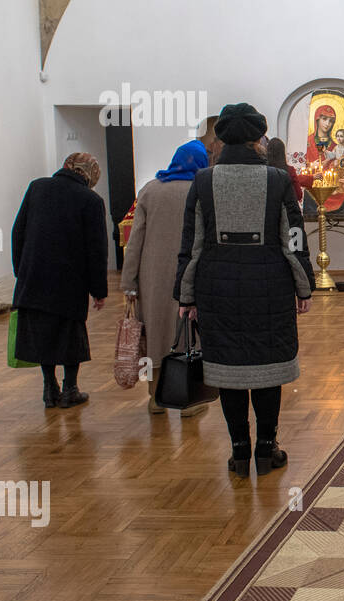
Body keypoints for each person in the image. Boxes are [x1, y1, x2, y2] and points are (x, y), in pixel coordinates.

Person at [175, 104, 314, 478]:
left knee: (229, 369)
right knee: (267, 369)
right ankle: (267, 449)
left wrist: (186, 295)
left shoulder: (203, 180)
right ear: (258, 139)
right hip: (269, 283)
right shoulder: (277, 179)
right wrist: (304, 286)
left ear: (220, 139)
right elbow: (294, 239)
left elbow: (193, 244)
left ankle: (239, 451)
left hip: (215, 287)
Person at [12, 152, 110, 408]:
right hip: (69, 283)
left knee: (42, 335)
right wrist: (98, 289)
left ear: (66, 166)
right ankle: (70, 388)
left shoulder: (37, 187)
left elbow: (17, 232)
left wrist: (20, 271)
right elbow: (96, 250)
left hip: (33, 278)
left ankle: (49, 386)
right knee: (69, 335)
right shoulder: (90, 200)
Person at [121, 140, 210, 416]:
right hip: (191, 272)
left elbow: (135, 241)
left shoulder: (150, 190)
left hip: (153, 276)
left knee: (155, 333)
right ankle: (188, 398)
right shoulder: (201, 189)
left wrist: (129, 282)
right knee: (188, 332)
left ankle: (155, 397)